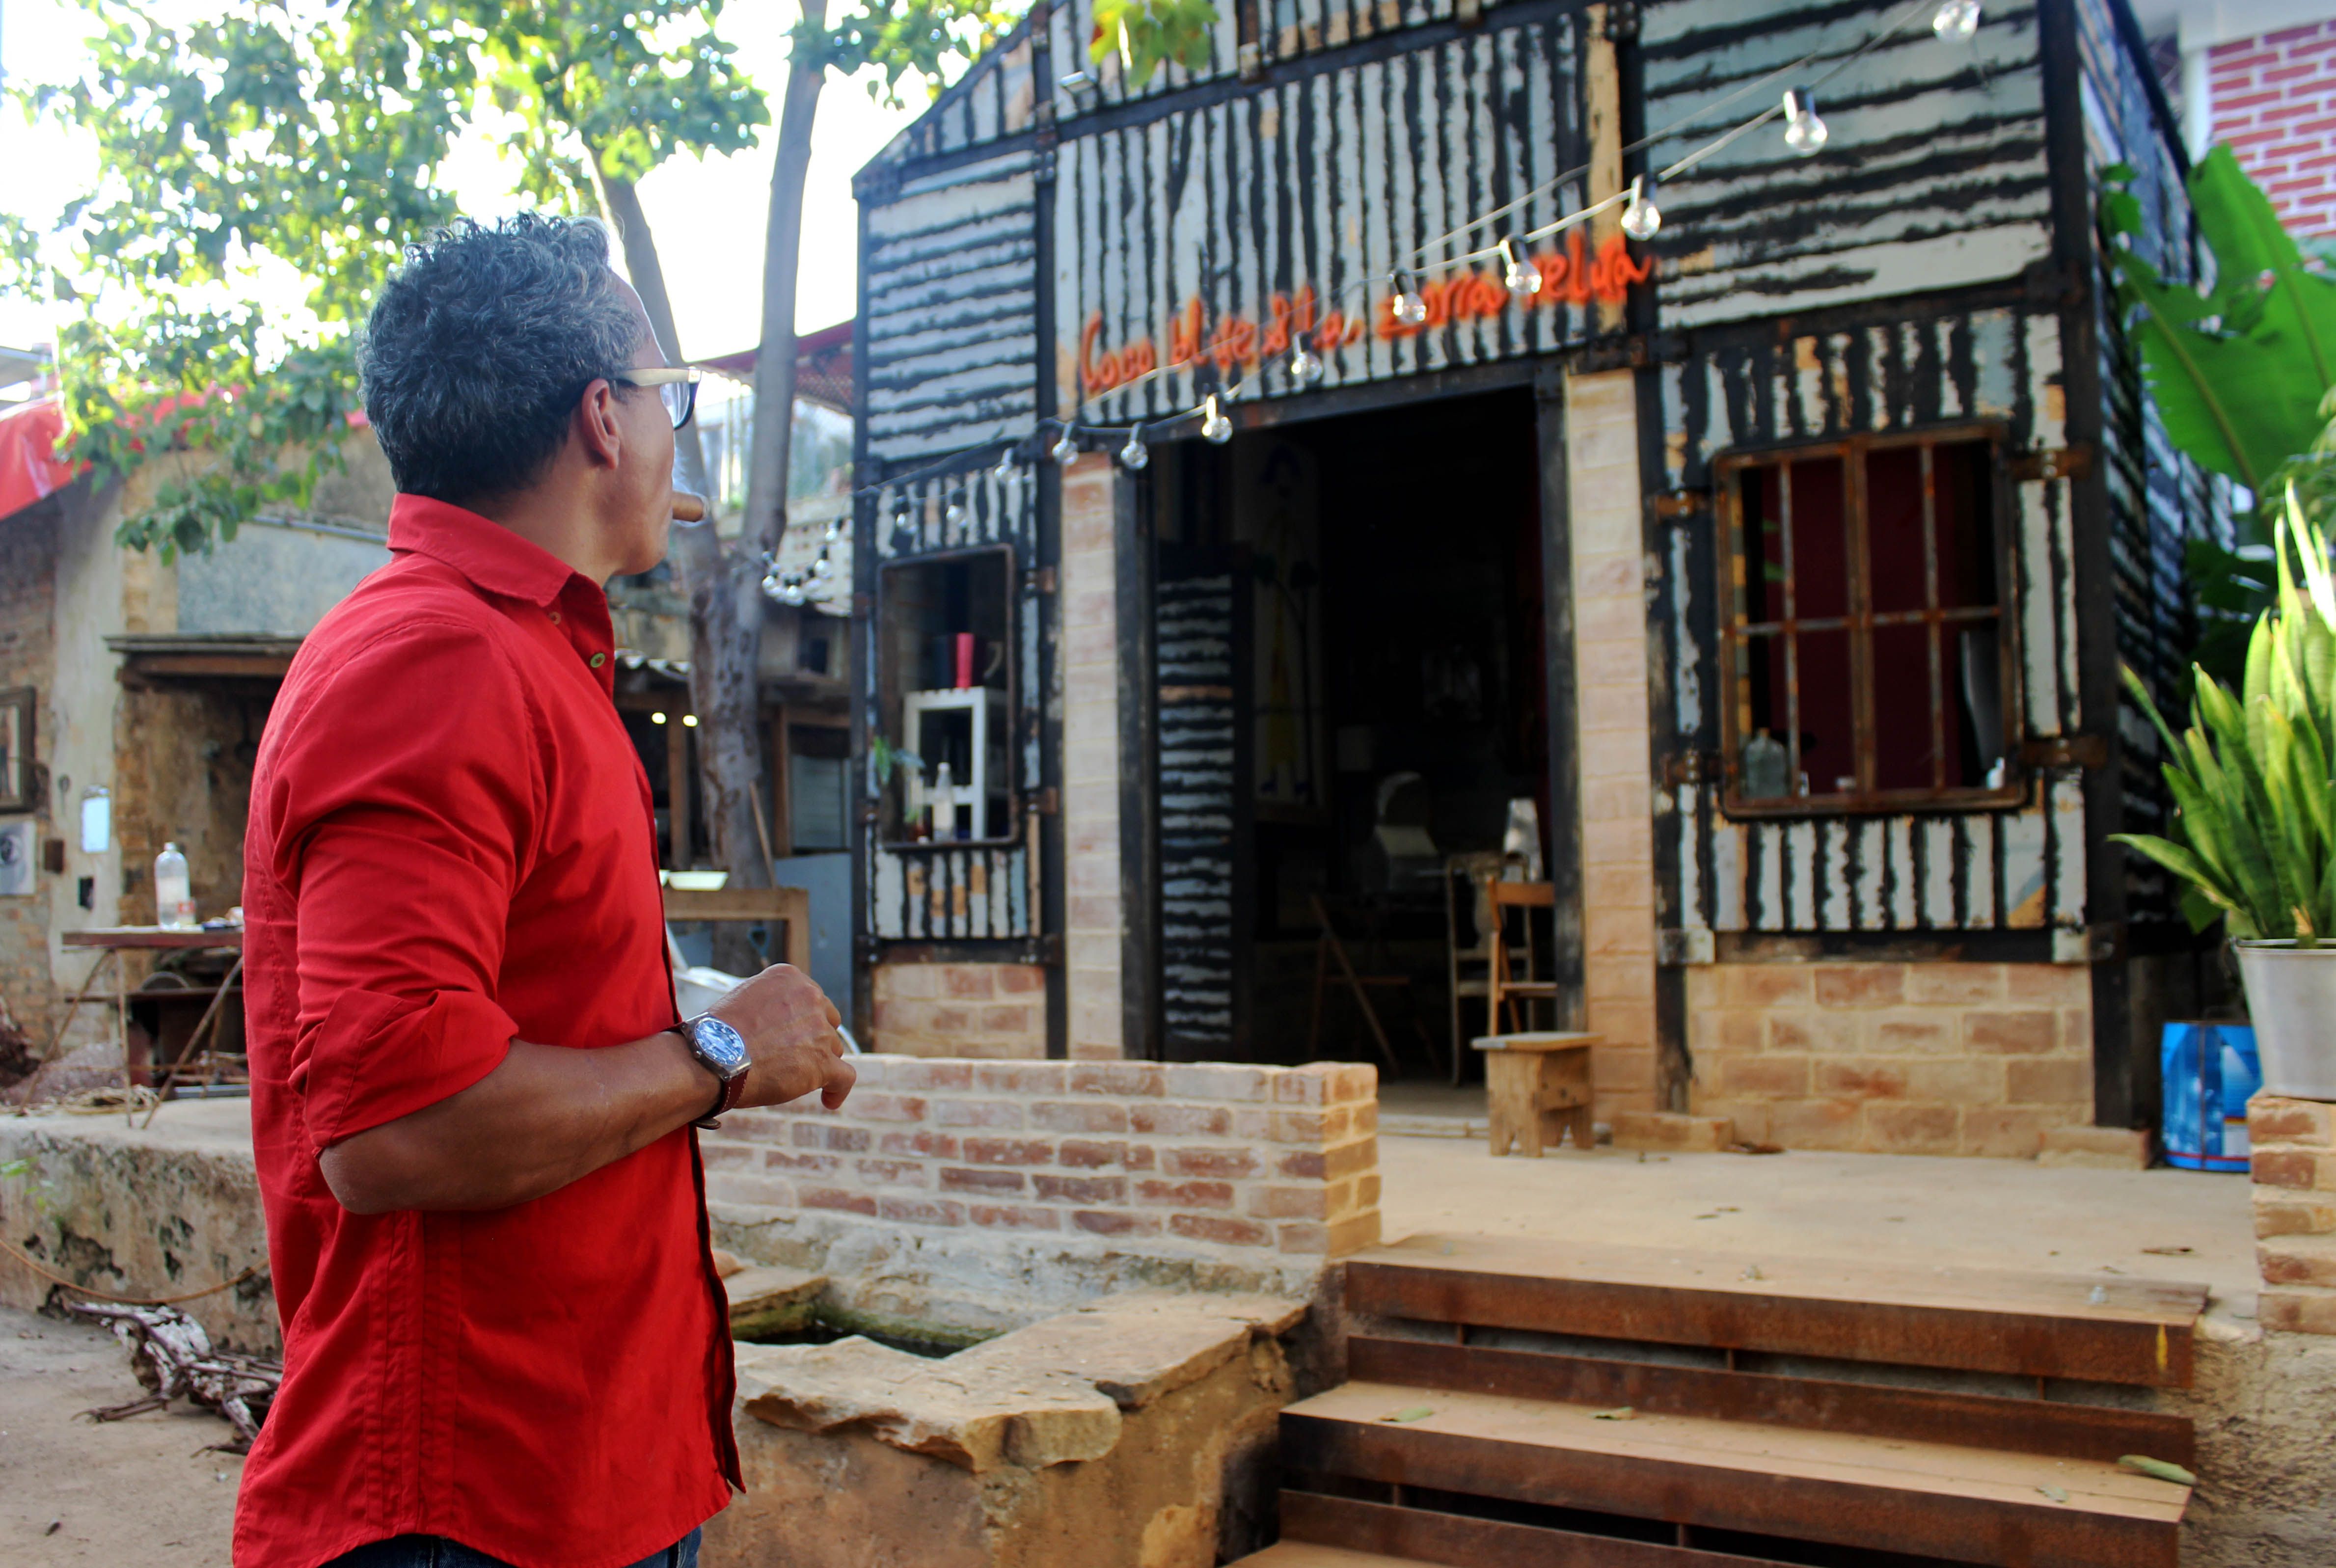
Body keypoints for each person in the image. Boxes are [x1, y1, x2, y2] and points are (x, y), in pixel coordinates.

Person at [236, 214, 854, 1568]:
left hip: (581, 1471)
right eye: (669, 397)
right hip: (474, 1502)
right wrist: (726, 1048)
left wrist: (688, 1009)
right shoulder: (434, 663)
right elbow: (398, 1126)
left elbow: (521, 995)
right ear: (603, 421)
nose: (677, 436)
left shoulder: (524, 655)